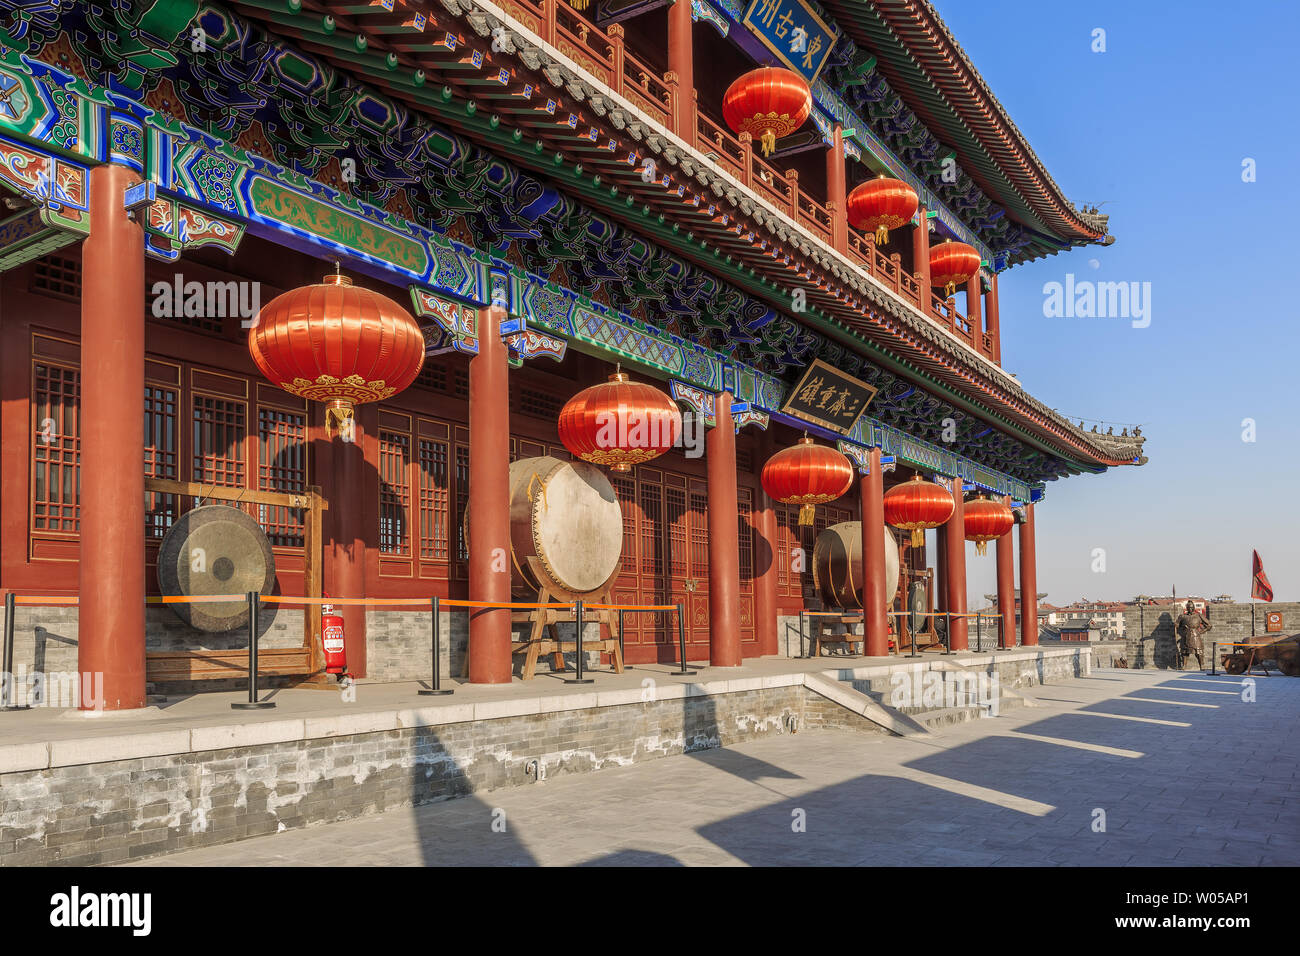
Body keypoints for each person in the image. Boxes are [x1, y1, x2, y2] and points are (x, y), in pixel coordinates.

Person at [1174, 600, 1211, 670]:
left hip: (1195, 635)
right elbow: (1178, 625)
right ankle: (1184, 665)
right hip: (1185, 635)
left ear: (1193, 607)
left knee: (1199, 652)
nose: (1190, 609)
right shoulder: (1182, 616)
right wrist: (1176, 624)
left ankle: (1201, 665)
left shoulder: (1199, 615)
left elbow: (1209, 625)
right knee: (1185, 652)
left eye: (1191, 607)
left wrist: (1201, 631)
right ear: (1186, 608)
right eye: (1188, 607)